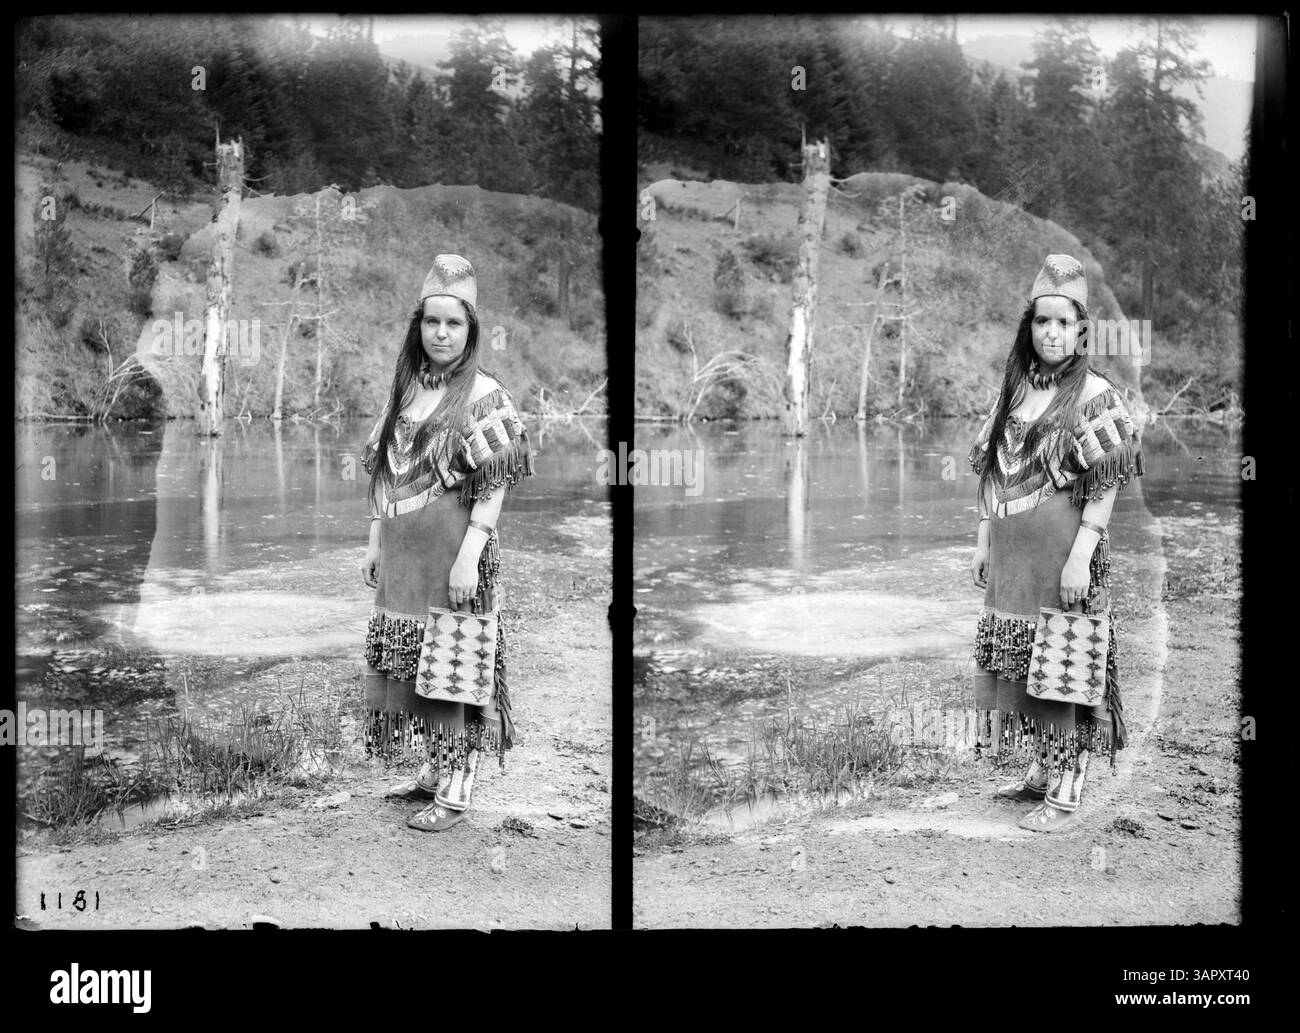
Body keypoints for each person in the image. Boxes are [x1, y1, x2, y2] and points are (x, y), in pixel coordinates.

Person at [968, 254, 1144, 832]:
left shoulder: (1096, 396)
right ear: (1030, 326)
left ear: (1081, 329)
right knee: (1023, 666)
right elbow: (993, 471)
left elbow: (1105, 488)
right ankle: (1042, 768)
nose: (1051, 333)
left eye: (1064, 323)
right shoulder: (1014, 390)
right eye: (1042, 321)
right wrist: (983, 540)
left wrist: (1080, 558)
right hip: (1012, 563)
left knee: (1063, 665)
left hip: (1064, 561)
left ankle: (1069, 788)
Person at [359, 255, 534, 832]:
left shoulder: (485, 396)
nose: (441, 334)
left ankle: (458, 790)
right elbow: (384, 472)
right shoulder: (404, 390)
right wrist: (375, 540)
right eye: (432, 322)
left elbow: (494, 486)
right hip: (403, 559)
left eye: (453, 324)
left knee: (452, 665)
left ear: (471, 330)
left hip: (455, 558)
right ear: (418, 327)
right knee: (416, 666)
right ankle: (435, 771)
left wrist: (469, 559)